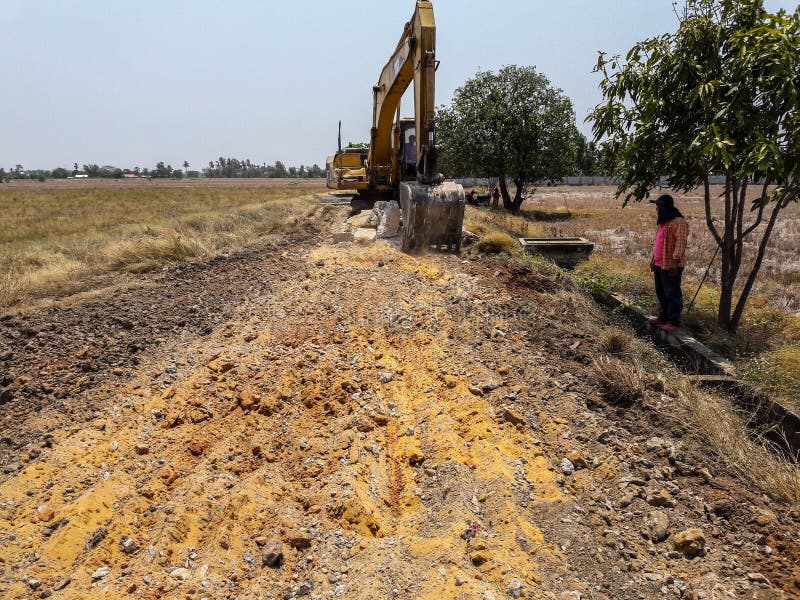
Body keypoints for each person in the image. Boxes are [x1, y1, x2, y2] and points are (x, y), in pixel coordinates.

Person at [648, 194, 689, 332]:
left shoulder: (679, 222)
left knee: (672, 293)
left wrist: (674, 262)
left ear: (664, 207)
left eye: (658, 206)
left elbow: (680, 243)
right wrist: (653, 259)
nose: (656, 209)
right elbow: (659, 242)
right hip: (660, 263)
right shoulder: (664, 223)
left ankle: (673, 322)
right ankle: (663, 317)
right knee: (661, 292)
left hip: (671, 265)